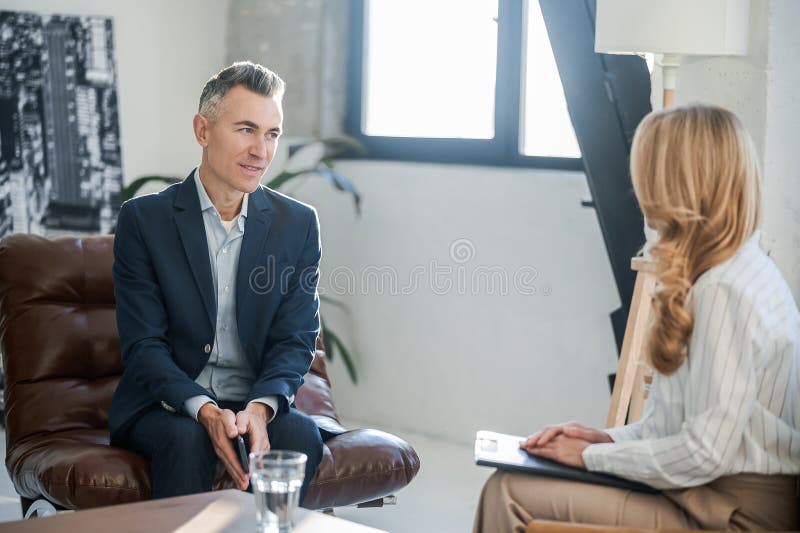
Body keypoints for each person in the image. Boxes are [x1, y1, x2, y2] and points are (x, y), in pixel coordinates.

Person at [473, 104, 799, 531]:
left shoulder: (724, 290)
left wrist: (590, 457)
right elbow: (681, 427)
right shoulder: (735, 271)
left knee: (509, 492)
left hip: (734, 514)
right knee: (513, 482)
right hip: (706, 493)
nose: (639, 186)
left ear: (678, 182)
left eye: (648, 171)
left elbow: (705, 453)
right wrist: (604, 438)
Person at [109, 61, 326, 504]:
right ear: (203, 130)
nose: (261, 151)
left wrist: (262, 407)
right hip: (168, 406)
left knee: (299, 434)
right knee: (187, 438)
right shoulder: (145, 220)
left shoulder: (297, 225)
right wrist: (204, 409)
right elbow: (144, 345)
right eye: (246, 129)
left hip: (252, 401)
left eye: (272, 134)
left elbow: (296, 338)